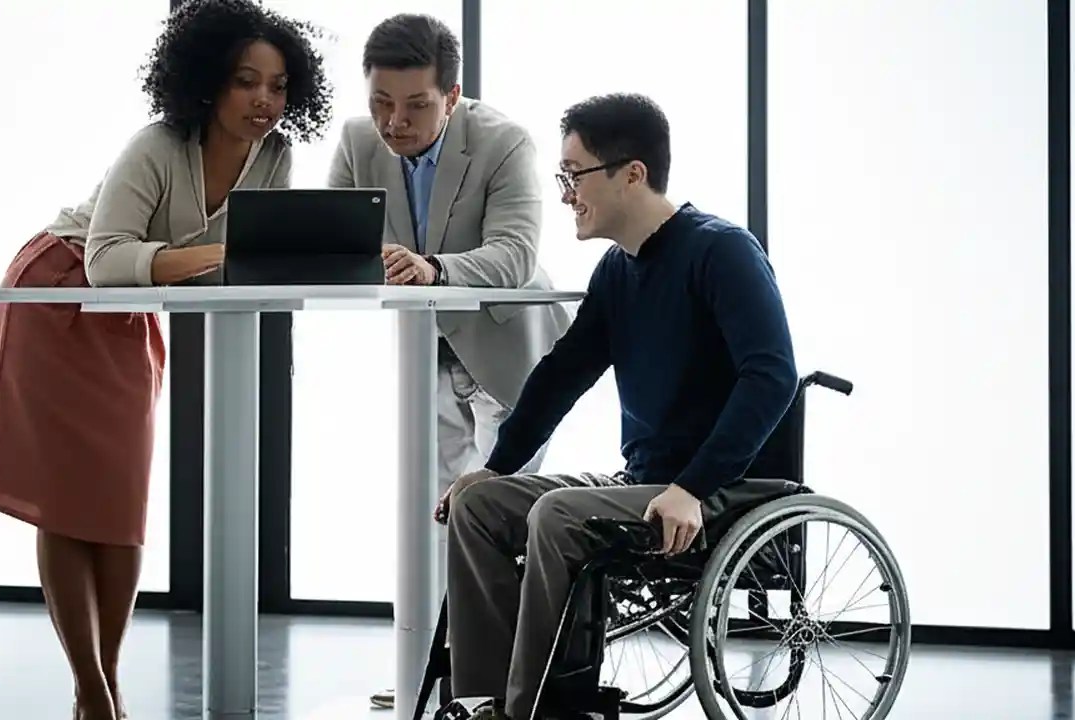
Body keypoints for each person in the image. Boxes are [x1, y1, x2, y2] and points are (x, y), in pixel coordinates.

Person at [0, 2, 332, 718]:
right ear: (208, 83)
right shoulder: (158, 144)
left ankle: (103, 681)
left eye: (279, 85)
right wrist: (227, 255)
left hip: (130, 309)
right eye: (245, 82)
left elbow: (263, 260)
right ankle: (95, 689)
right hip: (57, 288)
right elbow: (106, 260)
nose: (264, 100)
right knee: (66, 500)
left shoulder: (278, 156)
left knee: (120, 497)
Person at [434, 93, 800, 720]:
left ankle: (537, 711)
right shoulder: (617, 270)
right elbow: (562, 374)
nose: (565, 193)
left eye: (574, 175)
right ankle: (483, 700)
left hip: (723, 488)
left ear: (632, 173)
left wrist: (693, 485)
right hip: (643, 482)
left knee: (557, 514)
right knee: (480, 504)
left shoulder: (721, 251)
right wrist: (496, 467)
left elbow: (773, 376)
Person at [324, 13, 572, 711]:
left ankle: (506, 683)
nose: (393, 122)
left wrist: (433, 267)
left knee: (499, 518)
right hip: (423, 349)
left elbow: (515, 257)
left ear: (452, 95)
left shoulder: (504, 143)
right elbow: (336, 242)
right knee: (430, 517)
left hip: (508, 347)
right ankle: (427, 670)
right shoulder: (355, 141)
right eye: (380, 102)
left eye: (415, 105)